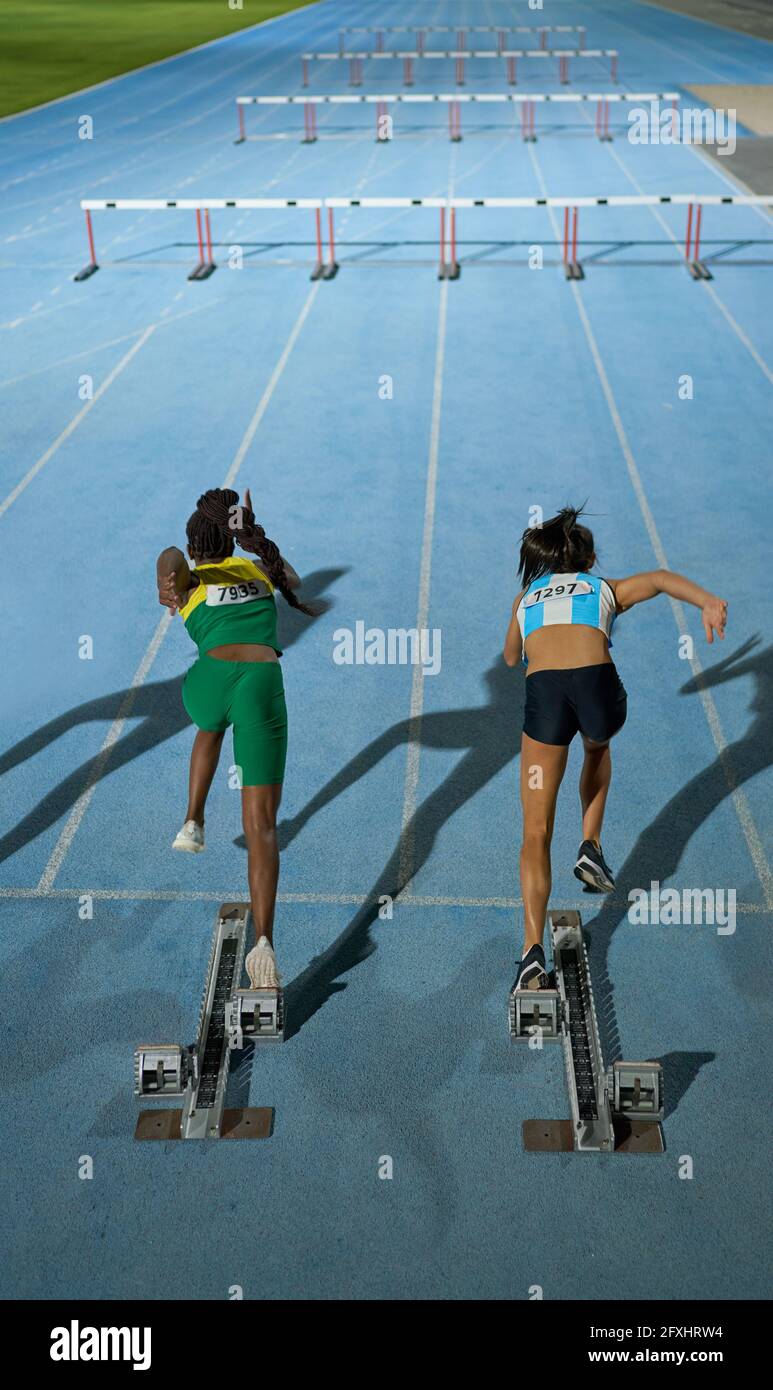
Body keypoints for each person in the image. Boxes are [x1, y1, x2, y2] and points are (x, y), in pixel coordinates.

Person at [503, 506, 728, 991]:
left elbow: (509, 656)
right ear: (590, 560)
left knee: (535, 830)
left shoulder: (527, 597)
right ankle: (591, 844)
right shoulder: (603, 588)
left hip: (545, 700)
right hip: (596, 688)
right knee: (597, 745)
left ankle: (530, 953)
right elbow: (662, 578)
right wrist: (708, 601)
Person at [155, 486, 314, 990]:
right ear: (233, 534)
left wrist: (168, 577)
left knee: (209, 727)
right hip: (261, 686)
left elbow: (170, 558)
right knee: (262, 826)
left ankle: (193, 819)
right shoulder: (258, 571)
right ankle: (264, 945)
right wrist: (252, 534)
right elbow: (293, 577)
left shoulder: (189, 580)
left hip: (208, 685)